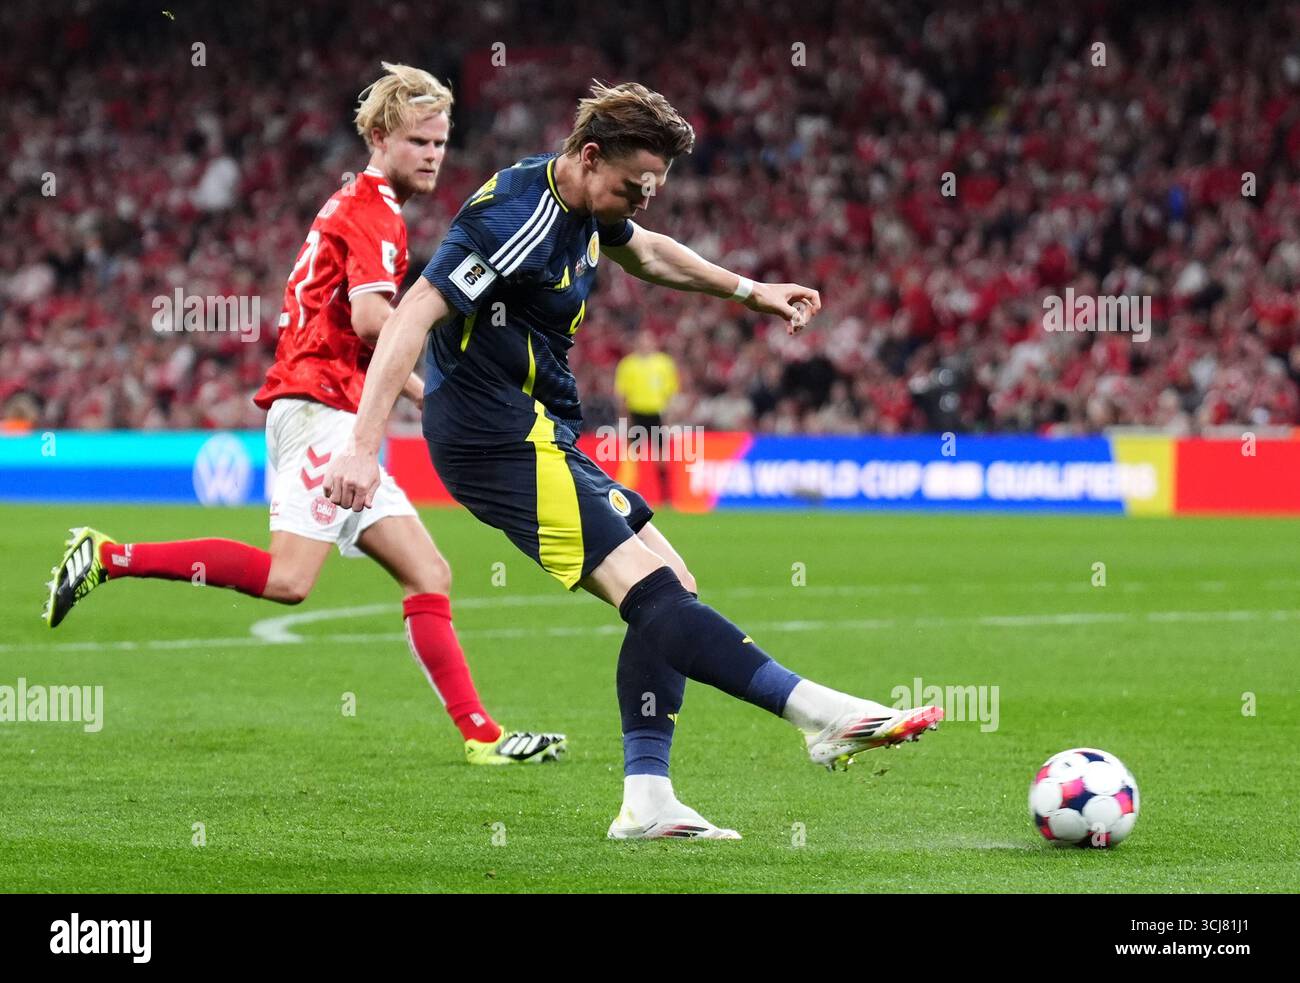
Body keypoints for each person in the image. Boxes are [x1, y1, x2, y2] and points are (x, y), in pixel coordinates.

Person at [323, 81, 941, 839]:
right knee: (648, 591)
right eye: (629, 187)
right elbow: (412, 311)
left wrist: (748, 291)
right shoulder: (513, 219)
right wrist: (362, 443)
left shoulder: (589, 207)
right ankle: (821, 713)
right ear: (588, 157)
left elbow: (644, 251)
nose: (639, 202)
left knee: (673, 582)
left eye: (652, 188)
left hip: (541, 428)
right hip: (495, 438)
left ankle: (647, 800)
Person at [42, 63, 566, 767]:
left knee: (428, 571)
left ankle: (481, 736)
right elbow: (375, 316)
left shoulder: (356, 203)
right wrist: (438, 378)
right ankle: (109, 555)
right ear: (381, 137)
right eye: (420, 141)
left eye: (441, 141)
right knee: (290, 579)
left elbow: (368, 319)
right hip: (323, 410)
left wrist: (421, 387)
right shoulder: (374, 210)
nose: (434, 154)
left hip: (334, 407)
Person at [613, 330, 678, 502]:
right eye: (642, 340)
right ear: (637, 343)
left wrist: (668, 418)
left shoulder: (664, 363)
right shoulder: (627, 364)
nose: (645, 344)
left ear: (654, 343)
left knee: (661, 456)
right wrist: (624, 418)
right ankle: (627, 494)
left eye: (648, 340)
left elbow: (670, 393)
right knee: (631, 455)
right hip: (636, 414)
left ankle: (666, 496)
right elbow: (622, 395)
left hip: (656, 414)